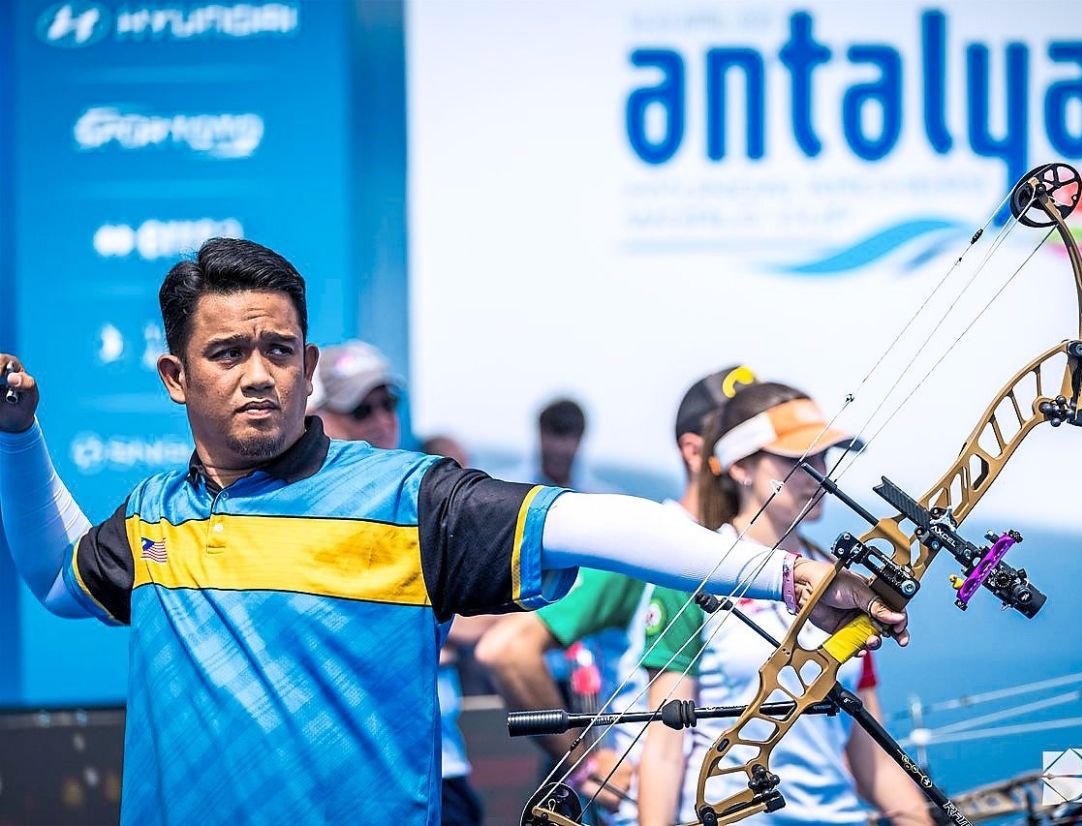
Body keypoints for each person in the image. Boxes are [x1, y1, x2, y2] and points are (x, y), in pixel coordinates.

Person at [0, 238, 906, 825]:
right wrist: (19, 437)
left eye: (279, 350)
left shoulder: (407, 498)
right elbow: (55, 580)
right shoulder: (155, 514)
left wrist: (792, 581)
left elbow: (599, 523)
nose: (258, 374)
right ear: (174, 375)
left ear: (309, 367)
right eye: (227, 353)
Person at [637, 381, 932, 825]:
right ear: (741, 467)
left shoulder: (846, 584)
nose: (819, 473)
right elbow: (664, 747)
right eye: (798, 459)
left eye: (822, 457)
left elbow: (869, 746)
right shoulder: (694, 575)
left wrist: (916, 818)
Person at [475, 365, 760, 822]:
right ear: (693, 451)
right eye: (742, 437)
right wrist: (586, 763)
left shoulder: (755, 557)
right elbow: (507, 650)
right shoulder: (646, 547)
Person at [309, 345, 488, 826]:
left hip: (429, 775)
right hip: (340, 787)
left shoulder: (416, 505)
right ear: (314, 414)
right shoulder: (293, 514)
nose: (382, 419)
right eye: (361, 408)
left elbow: (492, 621)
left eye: (389, 403)